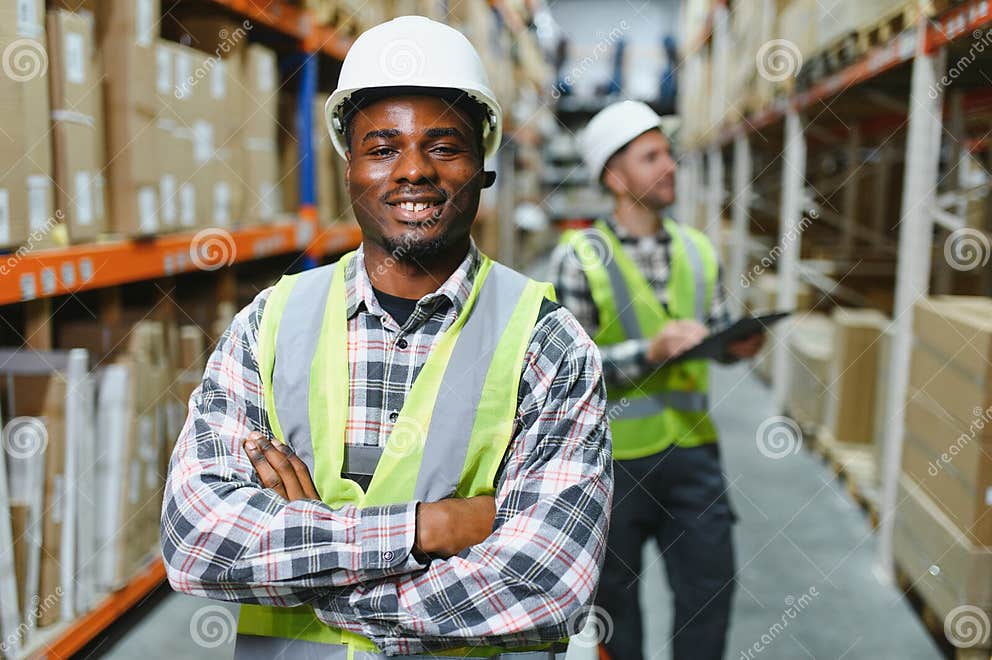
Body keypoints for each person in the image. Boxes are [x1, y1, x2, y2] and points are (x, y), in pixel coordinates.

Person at [161, 16, 612, 659]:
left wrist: (309, 562)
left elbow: (544, 585)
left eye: (444, 146)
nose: (412, 172)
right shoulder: (270, 324)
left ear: (483, 166)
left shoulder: (548, 344)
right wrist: (427, 530)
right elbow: (196, 539)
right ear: (350, 168)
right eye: (381, 148)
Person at [549, 100, 765, 660]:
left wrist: (734, 345)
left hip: (694, 452)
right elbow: (570, 368)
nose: (669, 164)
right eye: (651, 157)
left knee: (708, 592)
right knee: (614, 607)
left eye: (667, 152)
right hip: (613, 462)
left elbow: (712, 332)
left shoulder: (697, 249)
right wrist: (649, 351)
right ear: (616, 177)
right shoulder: (580, 256)